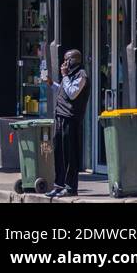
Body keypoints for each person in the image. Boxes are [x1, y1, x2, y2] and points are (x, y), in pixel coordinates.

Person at [43, 49, 90, 198]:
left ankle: (70, 188)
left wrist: (64, 76)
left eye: (66, 60)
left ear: (73, 60)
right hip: (60, 118)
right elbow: (63, 89)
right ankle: (59, 185)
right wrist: (51, 84)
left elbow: (72, 93)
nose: (64, 63)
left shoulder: (81, 75)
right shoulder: (69, 76)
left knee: (70, 156)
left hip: (71, 119)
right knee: (59, 154)